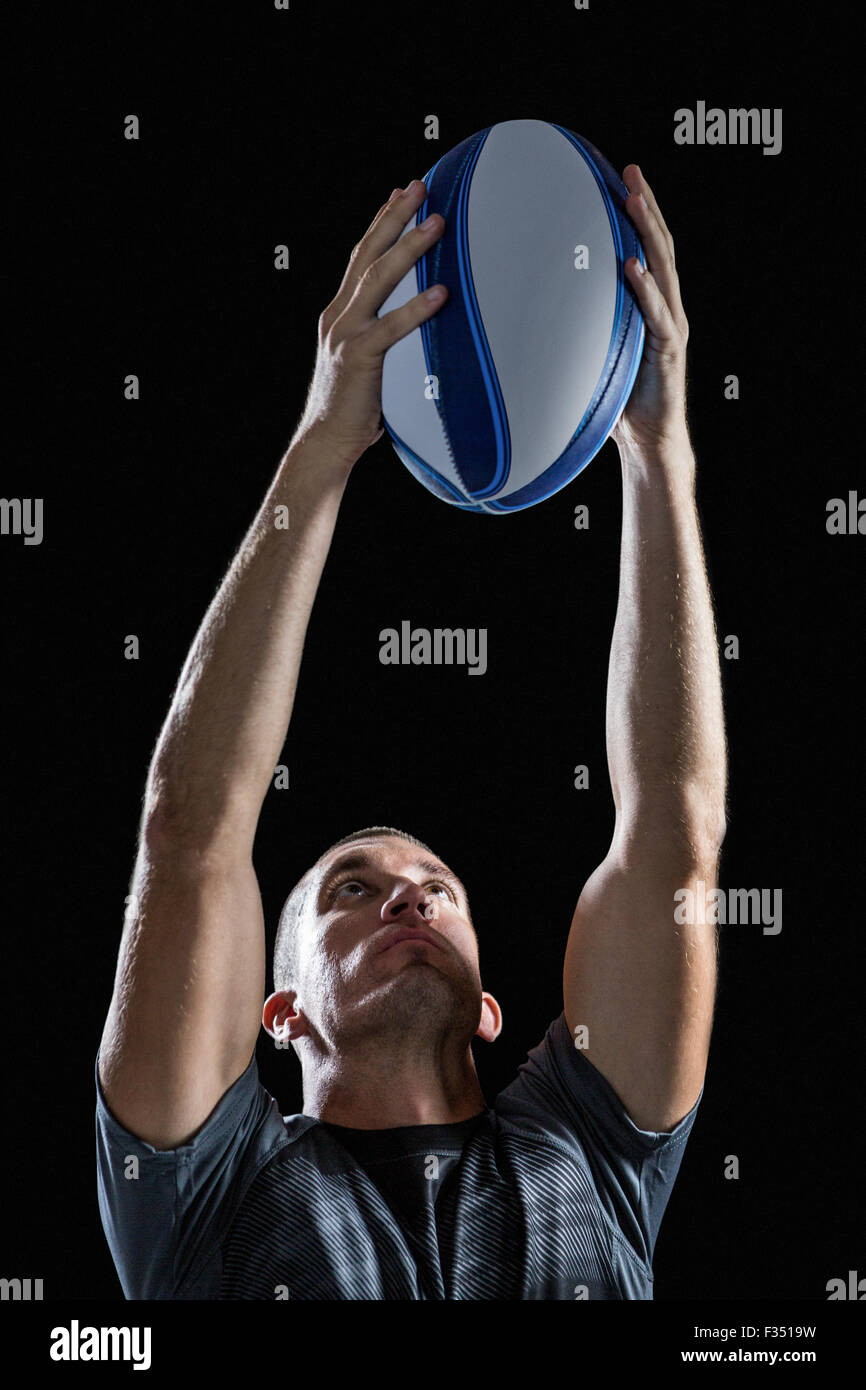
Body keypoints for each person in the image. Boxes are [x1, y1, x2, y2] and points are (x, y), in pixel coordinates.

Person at [95, 170, 727, 1300]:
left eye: (438, 885)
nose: (410, 895)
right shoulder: (207, 1190)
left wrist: (657, 454)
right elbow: (190, 832)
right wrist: (323, 441)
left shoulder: (592, 1145)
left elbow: (671, 832)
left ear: (493, 1005)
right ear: (276, 1012)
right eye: (348, 889)